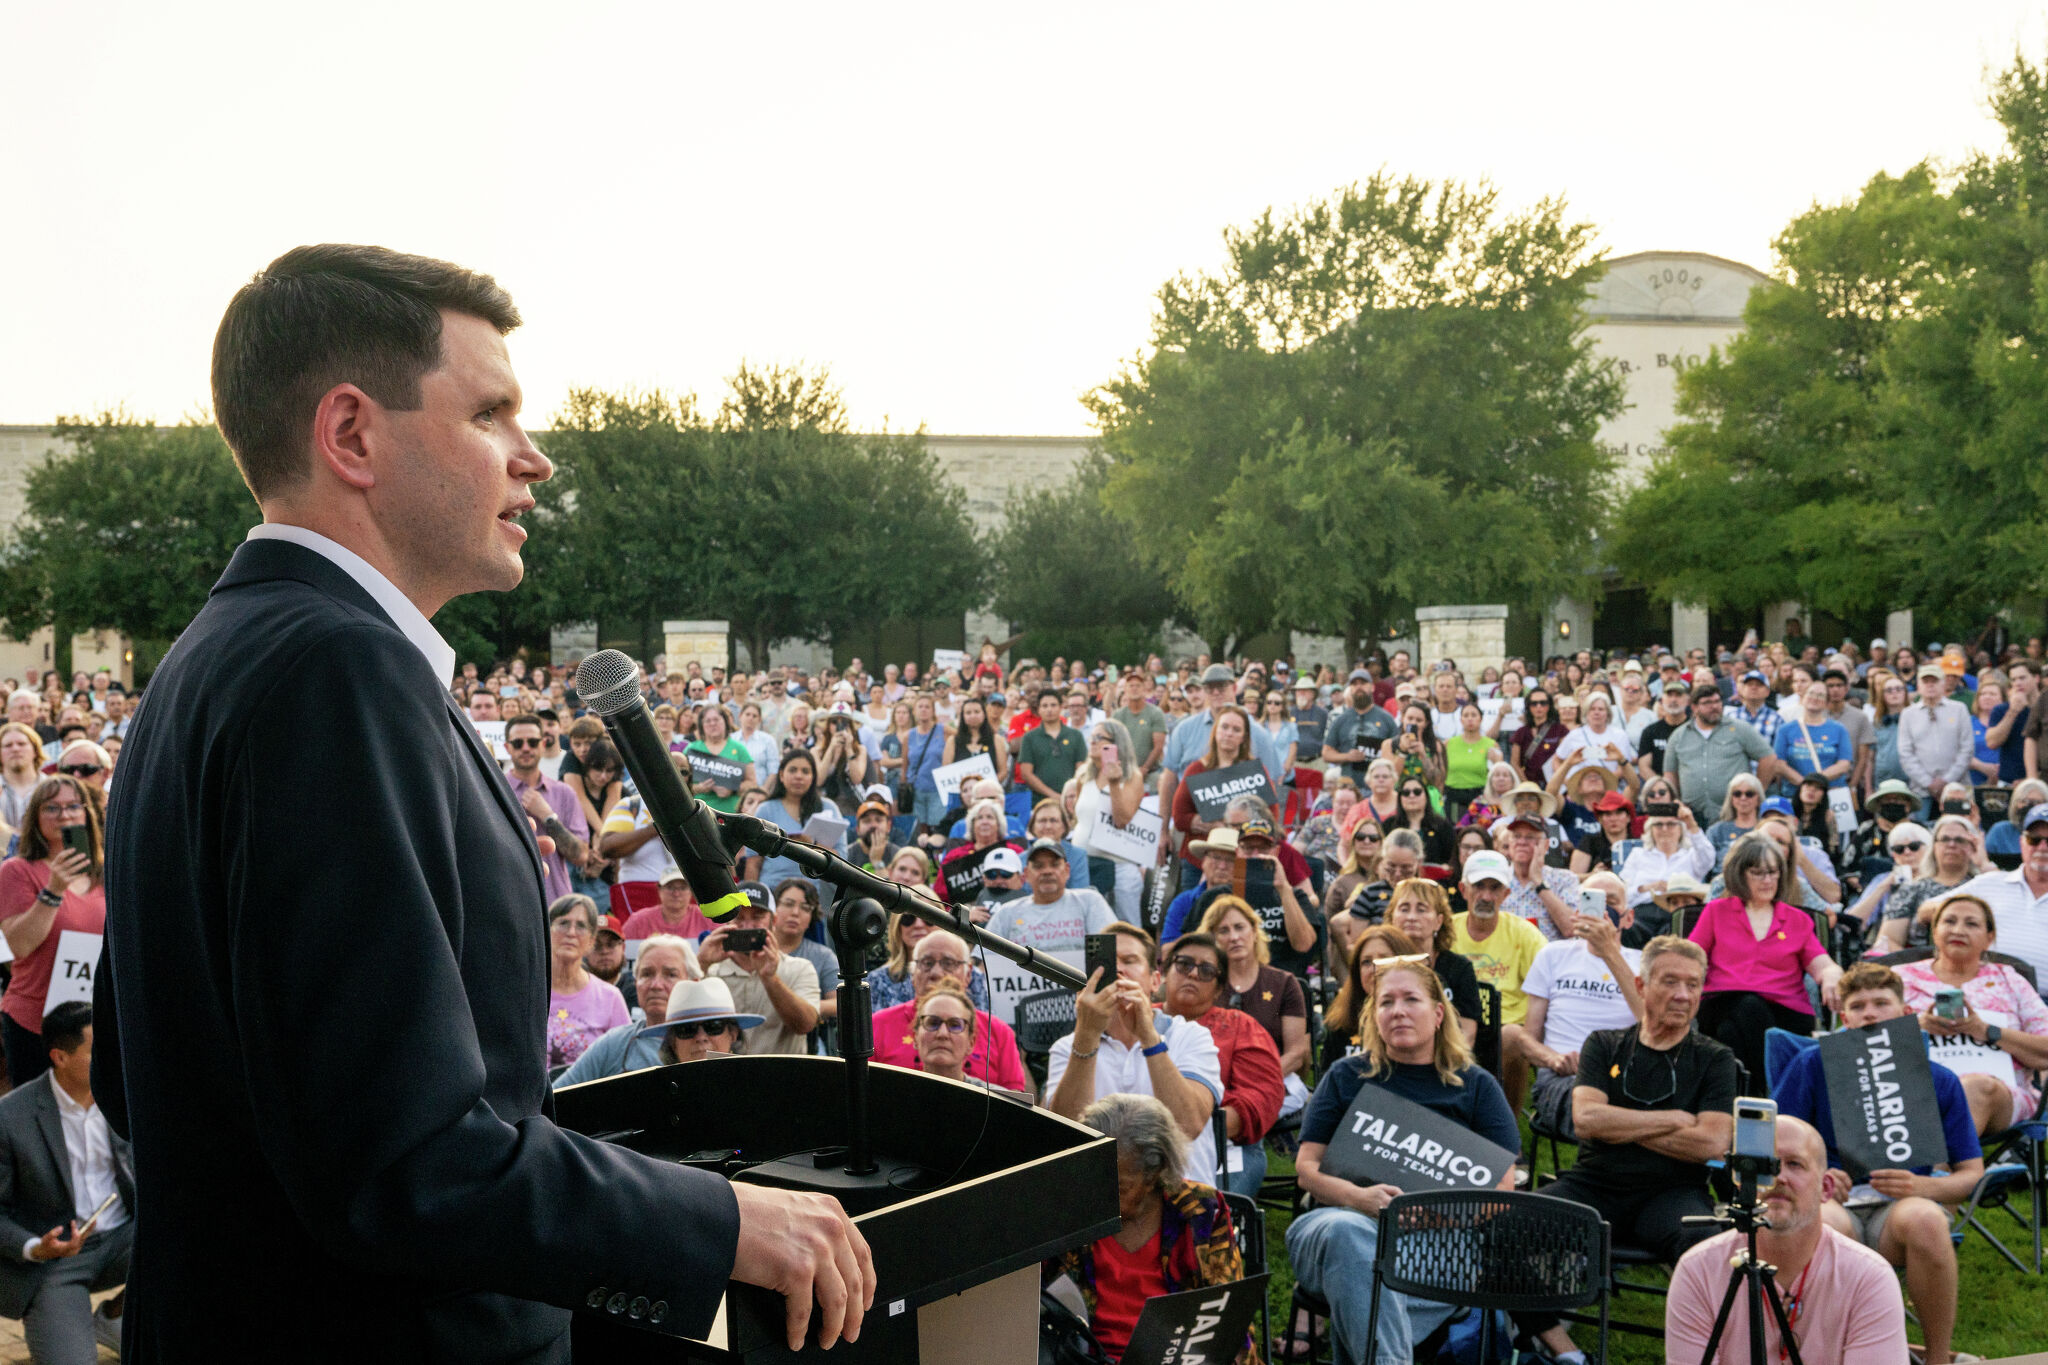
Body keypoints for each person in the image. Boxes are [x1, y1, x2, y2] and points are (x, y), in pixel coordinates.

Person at [98, 247, 872, 1358]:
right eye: (491, 413)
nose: (535, 458)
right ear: (351, 434)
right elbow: (406, 1163)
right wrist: (724, 1218)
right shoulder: (334, 672)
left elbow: (155, 1084)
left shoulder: (212, 661)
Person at [1286, 958, 1519, 1365]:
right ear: (1374, 1016)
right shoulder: (1346, 1075)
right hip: (1336, 1225)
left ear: (1438, 1013)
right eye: (1386, 1002)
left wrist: (1433, 1215)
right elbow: (1307, 1168)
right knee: (1348, 1236)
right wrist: (1359, 1199)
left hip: (1439, 1242)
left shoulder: (1476, 1086)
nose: (1398, 1011)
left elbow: (1502, 1189)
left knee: (1364, 1294)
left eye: (1411, 999)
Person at [1771, 962, 1983, 1365]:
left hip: (1900, 1209)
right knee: (1825, 1229)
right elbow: (1774, 1144)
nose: (1870, 1012)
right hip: (1831, 1202)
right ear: (1844, 1018)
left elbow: (1971, 1174)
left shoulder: (1938, 1079)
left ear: (1905, 1014)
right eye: (1858, 1005)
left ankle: (1938, 1359)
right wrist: (1815, 1175)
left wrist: (1921, 1187)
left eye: (1881, 1003)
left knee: (1926, 1219)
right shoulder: (1811, 1066)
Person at [1540, 936, 1738, 1262]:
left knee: (1704, 1244)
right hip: (1594, 1183)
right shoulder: (1603, 1044)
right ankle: (1546, 1312)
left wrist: (1617, 1123)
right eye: (1670, 982)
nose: (1682, 995)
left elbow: (1711, 1145)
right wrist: (1673, 1119)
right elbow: (1586, 1121)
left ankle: (1690, 1316)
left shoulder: (1715, 1058)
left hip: (1674, 1192)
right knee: (1510, 1224)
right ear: (1641, 985)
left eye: (1693, 985)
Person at [1666, 1116, 1908, 1365]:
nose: (1778, 1177)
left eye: (1794, 1164)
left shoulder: (1868, 1277)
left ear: (1826, 1188)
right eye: (1764, 1165)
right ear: (1741, 1181)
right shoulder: (1698, 1270)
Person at [1043, 1093, 1245, 1365]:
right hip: (1083, 1357)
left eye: (1119, 1185)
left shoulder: (1201, 1212)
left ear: (1154, 1174)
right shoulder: (1071, 1210)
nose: (1100, 1194)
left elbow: (1228, 1320)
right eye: (1093, 1176)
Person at [0, 1003, 131, 1362]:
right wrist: (33, 1247)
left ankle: (116, 1316)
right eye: (96, 1052)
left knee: (187, 1237)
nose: (111, 1058)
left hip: (126, 1239)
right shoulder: (11, 1117)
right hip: (56, 1263)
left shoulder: (125, 1096)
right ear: (59, 1056)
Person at [1047, 922, 1222, 1186]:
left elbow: (1188, 1125)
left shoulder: (1191, 1036)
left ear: (1154, 980)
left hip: (1179, 1195)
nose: (1117, 970)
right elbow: (1066, 1133)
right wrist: (1087, 1035)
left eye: (1130, 960)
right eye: (1106, 962)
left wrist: (1149, 1038)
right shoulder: (1068, 1047)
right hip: (1098, 1193)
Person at [1690, 836, 1843, 1088]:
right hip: (1722, 1002)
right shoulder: (1717, 911)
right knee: (1747, 1006)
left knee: (1731, 1032)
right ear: (1740, 874)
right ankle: (1774, 1091)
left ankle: (1742, 1096)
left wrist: (1832, 975)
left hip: (1785, 1013)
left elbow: (1823, 964)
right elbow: (1692, 955)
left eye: (1773, 872)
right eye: (1758, 873)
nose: (1768, 880)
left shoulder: (1798, 919)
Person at [1897, 892, 2048, 1137]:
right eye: (1949, 921)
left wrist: (1987, 1031)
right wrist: (1917, 1025)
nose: (1958, 930)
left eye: (1971, 923)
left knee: (1975, 1086)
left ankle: (1939, 1174)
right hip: (1912, 1092)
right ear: (1935, 932)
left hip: (1998, 1095)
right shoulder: (1900, 978)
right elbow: (1861, 1040)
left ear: (1989, 938)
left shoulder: (2008, 979)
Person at [1519, 873, 1645, 1141]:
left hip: (1622, 1073)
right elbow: (1528, 1039)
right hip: (1563, 1076)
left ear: (1629, 917)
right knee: (1587, 1099)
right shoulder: (1553, 955)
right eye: (1592, 902)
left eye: (1610, 902)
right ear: (1577, 913)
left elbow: (1651, 1021)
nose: (1602, 911)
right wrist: (1553, 1059)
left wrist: (1609, 951)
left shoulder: (1643, 964)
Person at [1158, 931, 1284, 1197]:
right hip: (1135, 1144)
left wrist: (1202, 1123)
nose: (1192, 974)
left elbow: (1262, 1095)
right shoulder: (1136, 1017)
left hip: (1225, 1145)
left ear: (1218, 989)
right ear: (1164, 973)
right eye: (1183, 964)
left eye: (1206, 970)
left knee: (1202, 1216)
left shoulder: (1240, 1026)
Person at [0, 778, 104, 1088]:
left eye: (73, 806)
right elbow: (18, 945)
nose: (64, 815)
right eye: (52, 808)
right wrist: (54, 889)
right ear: (35, 816)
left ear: (86, 814)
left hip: (92, 1024)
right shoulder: (18, 871)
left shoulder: (104, 871)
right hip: (35, 1025)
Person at [1449, 850, 1549, 1109]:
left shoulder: (1525, 934)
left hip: (1506, 1030)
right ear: (1463, 889)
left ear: (1506, 894)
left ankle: (1508, 1135)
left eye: (1495, 888)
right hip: (1453, 1025)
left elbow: (1550, 984)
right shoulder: (1446, 931)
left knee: (1514, 1037)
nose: (1486, 896)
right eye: (1478, 886)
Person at [868, 931, 1028, 1089]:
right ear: (913, 973)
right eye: (927, 963)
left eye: (948, 963)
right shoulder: (877, 1025)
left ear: (968, 973)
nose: (936, 973)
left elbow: (1013, 1102)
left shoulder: (999, 1032)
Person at [553, 935, 704, 1085]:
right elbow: (555, 1098)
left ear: (693, 984)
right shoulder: (614, 1045)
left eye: (671, 975)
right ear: (636, 982)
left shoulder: (711, 1038)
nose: (656, 985)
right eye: (647, 974)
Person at [1195, 895, 1311, 1078]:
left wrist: (1258, 1084)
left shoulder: (1284, 983)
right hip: (1213, 1083)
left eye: (1239, 927)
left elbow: (1296, 1054)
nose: (1234, 937)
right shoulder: (1203, 983)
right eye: (1223, 931)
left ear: (1255, 932)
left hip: (1273, 1080)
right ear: (1213, 940)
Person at [697, 891, 822, 1056]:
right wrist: (701, 964)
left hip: (781, 1076)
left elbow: (805, 1025)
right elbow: (678, 1027)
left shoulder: (800, 968)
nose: (747, 926)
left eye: (757, 917)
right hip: (724, 1076)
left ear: (774, 920)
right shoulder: (711, 971)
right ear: (727, 922)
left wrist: (770, 979)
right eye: (739, 918)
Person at [1665, 681, 1781, 827]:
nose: (1714, 707)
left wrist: (1756, 791)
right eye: (1707, 703)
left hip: (1733, 813)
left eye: (1717, 701)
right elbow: (1670, 774)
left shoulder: (1739, 728)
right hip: (1693, 815)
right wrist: (1676, 803)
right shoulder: (1679, 736)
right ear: (1694, 708)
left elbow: (1769, 758)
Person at [1383, 877, 1482, 1044]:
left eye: (1421, 910)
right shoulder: (1381, 965)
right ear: (1392, 918)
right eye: (1404, 909)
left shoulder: (1459, 968)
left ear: (1438, 921)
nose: (1412, 917)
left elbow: (1468, 1032)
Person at [503, 713, 590, 903]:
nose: (526, 748)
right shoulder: (495, 790)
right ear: (507, 747)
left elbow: (581, 856)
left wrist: (549, 817)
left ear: (543, 744)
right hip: (511, 900)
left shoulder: (563, 792)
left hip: (556, 901)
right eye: (518, 743)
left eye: (533, 742)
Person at [1068, 719, 1148, 921]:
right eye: (1092, 737)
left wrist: (1113, 783)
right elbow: (1078, 817)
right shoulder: (1083, 776)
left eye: (1099, 738)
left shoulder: (1132, 776)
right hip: (1086, 865)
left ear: (1116, 744)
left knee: (1126, 928)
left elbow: (1122, 820)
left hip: (1119, 867)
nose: (1092, 742)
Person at [1878, 813, 1993, 949]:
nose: (1951, 844)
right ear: (1934, 846)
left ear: (1973, 846)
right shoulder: (1912, 888)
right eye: (1945, 839)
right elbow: (1889, 940)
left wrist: (1984, 864)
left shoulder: (1985, 885)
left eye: (1959, 840)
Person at [986, 839, 1117, 955]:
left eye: (1054, 865)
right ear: (1026, 874)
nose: (1047, 871)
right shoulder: (1006, 913)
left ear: (1067, 870)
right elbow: (984, 962)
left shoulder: (1090, 902)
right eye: (1038, 866)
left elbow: (1113, 952)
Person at [544, 894, 631, 1072]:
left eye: (581, 926)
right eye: (563, 923)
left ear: (591, 941)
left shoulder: (610, 997)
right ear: (547, 931)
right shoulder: (528, 991)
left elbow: (625, 1061)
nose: (571, 932)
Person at [864, 896, 990, 1013]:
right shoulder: (875, 981)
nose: (918, 925)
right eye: (908, 919)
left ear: (944, 923)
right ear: (897, 928)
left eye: (928, 918)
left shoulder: (972, 975)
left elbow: (982, 1027)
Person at [753, 750, 848, 890]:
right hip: (772, 891)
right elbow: (754, 862)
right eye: (792, 770)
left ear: (813, 777)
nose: (799, 776)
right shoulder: (765, 809)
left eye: (805, 771)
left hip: (815, 895)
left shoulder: (828, 808)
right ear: (781, 775)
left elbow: (842, 860)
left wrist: (812, 846)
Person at [632, 977, 758, 1066]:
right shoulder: (656, 1095)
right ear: (672, 1041)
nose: (701, 1037)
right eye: (687, 1029)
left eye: (713, 1026)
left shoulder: (756, 1088)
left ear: (733, 1034)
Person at [1899, 663, 1975, 810]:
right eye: (1925, 681)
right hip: (1921, 790)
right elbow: (1905, 753)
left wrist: (1947, 780)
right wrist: (1928, 782)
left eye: (1934, 681)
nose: (1930, 685)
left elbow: (1967, 748)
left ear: (1943, 684)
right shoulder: (1908, 714)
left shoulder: (1959, 709)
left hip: (1958, 787)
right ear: (1918, 686)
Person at [768, 879, 839, 1025]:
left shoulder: (823, 956)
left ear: (811, 917)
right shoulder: (758, 948)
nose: (795, 913)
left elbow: (839, 1002)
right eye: (788, 904)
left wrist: (803, 1008)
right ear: (774, 908)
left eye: (805, 908)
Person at [1619, 804, 1716, 909]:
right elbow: (1621, 895)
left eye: (1671, 824)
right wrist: (1645, 888)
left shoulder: (1692, 855)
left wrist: (1692, 825)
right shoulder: (1637, 855)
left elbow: (1709, 860)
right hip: (1641, 911)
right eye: (1658, 825)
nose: (1664, 829)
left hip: (1678, 909)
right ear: (1651, 829)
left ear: (1681, 829)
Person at [1773, 680, 1855, 791]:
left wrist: (1815, 782)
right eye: (1811, 693)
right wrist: (1804, 784)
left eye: (1821, 695)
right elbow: (1779, 764)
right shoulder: (1785, 730)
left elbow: (1844, 764)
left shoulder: (1839, 729)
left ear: (1827, 703)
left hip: (1831, 793)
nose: (1815, 698)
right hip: (1795, 793)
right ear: (1803, 698)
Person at [684, 704, 757, 815]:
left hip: (732, 813)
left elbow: (752, 784)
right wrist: (699, 788)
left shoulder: (739, 748)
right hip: (699, 815)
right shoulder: (691, 749)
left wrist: (732, 788)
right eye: (707, 721)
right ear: (701, 725)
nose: (712, 724)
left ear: (725, 722)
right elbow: (679, 785)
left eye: (716, 719)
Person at [1385, 773, 1457, 865]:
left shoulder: (1442, 825)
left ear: (1426, 797)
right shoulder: (1389, 825)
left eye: (1417, 792)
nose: (1411, 796)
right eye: (1406, 793)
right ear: (1400, 798)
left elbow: (1452, 857)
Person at [1508, 688, 1570, 787]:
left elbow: (1564, 759)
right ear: (1528, 706)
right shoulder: (1521, 732)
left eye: (1543, 703)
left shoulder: (1560, 730)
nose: (1539, 706)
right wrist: (1527, 785)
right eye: (1534, 703)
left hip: (1555, 785)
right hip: (1529, 785)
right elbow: (1514, 763)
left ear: (1549, 706)